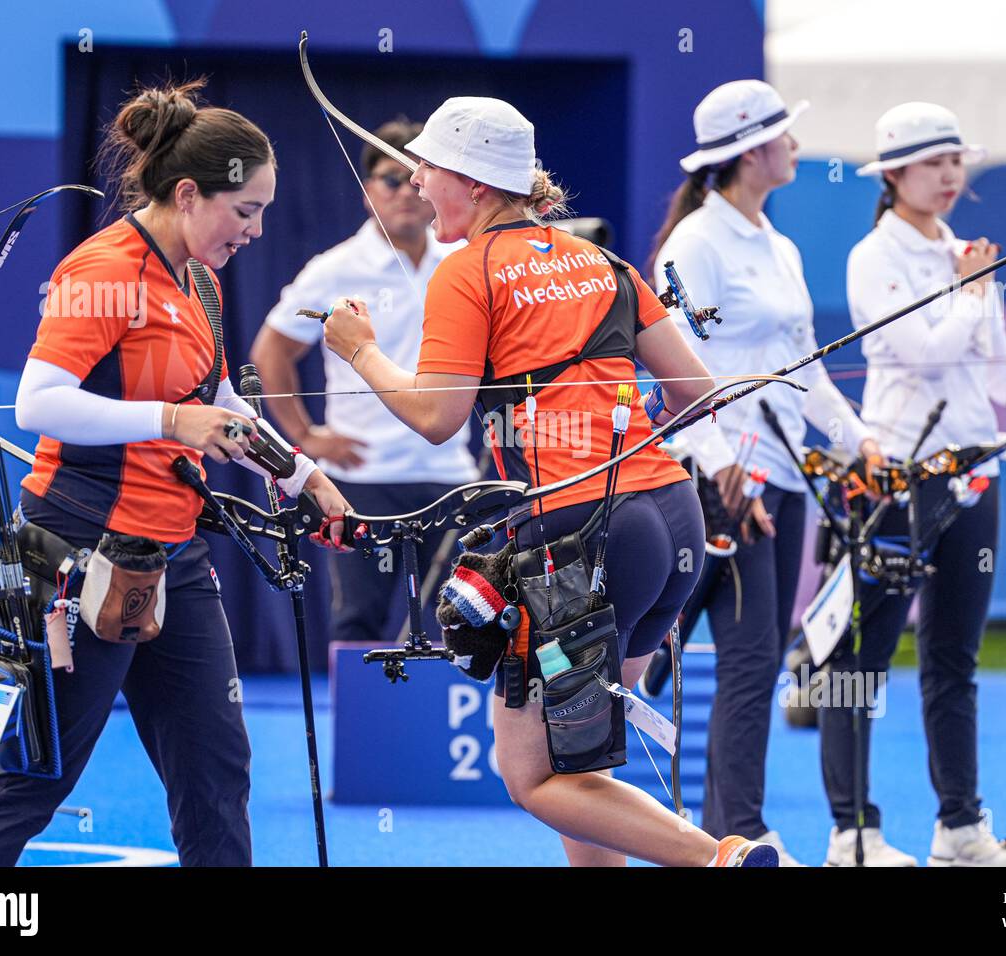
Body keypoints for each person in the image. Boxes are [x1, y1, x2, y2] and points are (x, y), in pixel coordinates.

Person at [322, 95, 774, 866]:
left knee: (531, 774)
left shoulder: (469, 271)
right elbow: (701, 395)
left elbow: (435, 414)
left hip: (580, 532)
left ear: (471, 180)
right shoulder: (603, 260)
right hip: (671, 519)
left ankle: (721, 859)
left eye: (428, 168)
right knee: (582, 758)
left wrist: (358, 349)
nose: (420, 184)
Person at [0, 80, 351, 867]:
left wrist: (302, 475)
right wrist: (170, 421)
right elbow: (38, 403)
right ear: (190, 193)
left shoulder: (198, 278)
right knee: (34, 774)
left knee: (216, 764)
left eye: (265, 210)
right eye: (246, 210)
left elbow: (219, 398)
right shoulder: (101, 269)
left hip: (172, 555)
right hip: (74, 550)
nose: (257, 230)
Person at [820, 101, 1006, 866]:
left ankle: (960, 828)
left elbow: (998, 374)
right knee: (859, 662)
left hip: (972, 482)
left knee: (955, 660)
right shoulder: (875, 257)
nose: (950, 175)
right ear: (892, 175)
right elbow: (919, 353)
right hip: (897, 480)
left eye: (957, 161)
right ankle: (853, 832)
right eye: (932, 163)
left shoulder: (962, 254)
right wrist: (975, 289)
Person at [646, 79, 882, 867]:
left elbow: (804, 370)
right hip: (721, 477)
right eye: (785, 134)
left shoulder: (777, 245)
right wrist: (718, 463)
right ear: (751, 150)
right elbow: (677, 369)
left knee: (761, 654)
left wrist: (859, 442)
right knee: (751, 661)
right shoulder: (696, 244)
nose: (796, 146)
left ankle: (660, 646)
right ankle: (735, 833)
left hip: (780, 475)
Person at [250, 119, 477, 647]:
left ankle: (431, 733)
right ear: (366, 190)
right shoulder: (337, 267)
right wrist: (305, 438)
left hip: (450, 472)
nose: (402, 191)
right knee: (361, 622)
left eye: (413, 178)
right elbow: (271, 351)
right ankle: (356, 732)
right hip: (363, 476)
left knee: (461, 622)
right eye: (387, 179)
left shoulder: (461, 262)